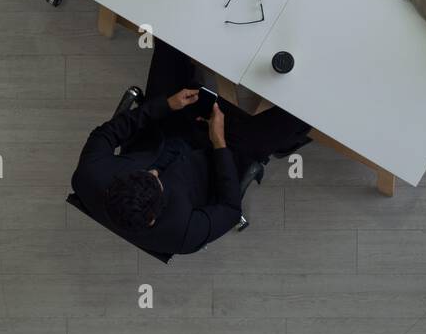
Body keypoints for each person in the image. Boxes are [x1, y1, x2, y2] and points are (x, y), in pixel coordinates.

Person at [71, 40, 310, 257]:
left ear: (114, 183)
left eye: (146, 172)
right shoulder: (182, 235)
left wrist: (164, 105)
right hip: (215, 158)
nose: (154, 172)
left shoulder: (88, 176)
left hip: (162, 128)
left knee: (169, 42)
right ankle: (289, 142)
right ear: (154, 218)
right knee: (300, 115)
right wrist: (219, 143)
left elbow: (107, 133)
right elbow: (230, 209)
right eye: (156, 180)